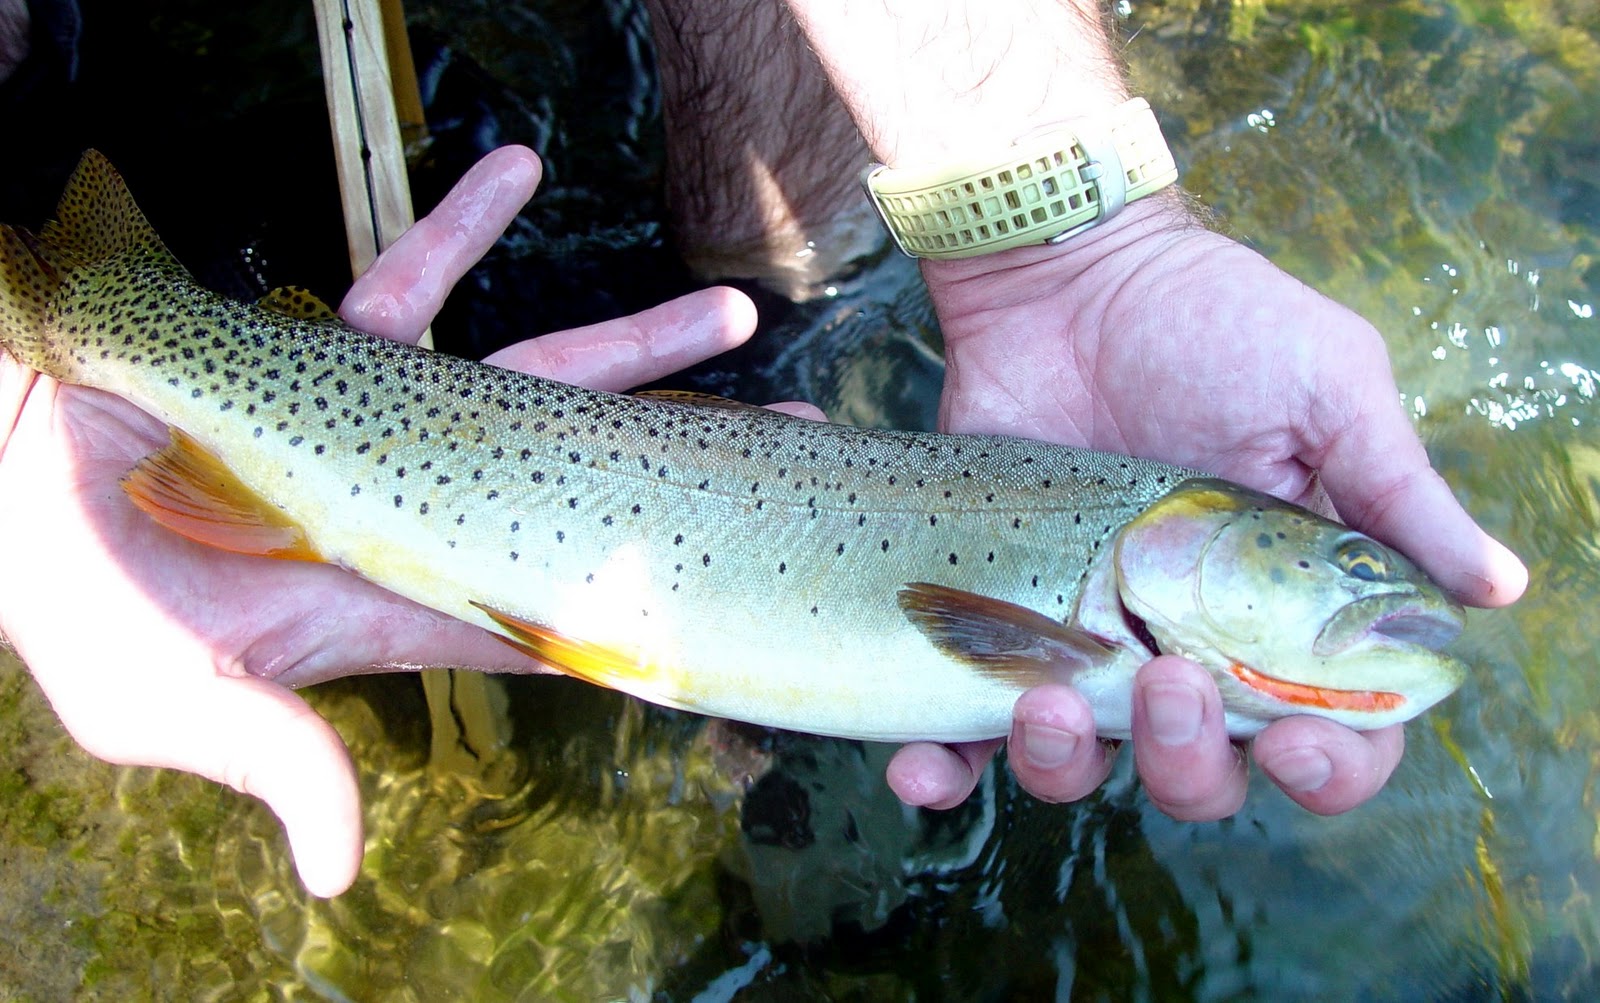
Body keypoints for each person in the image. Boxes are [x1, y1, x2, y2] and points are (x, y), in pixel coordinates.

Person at [0, 0, 1526, 898]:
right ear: (1184, 535)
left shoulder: (1116, 604)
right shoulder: (1084, 616)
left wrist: (1081, 247)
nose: (1364, 581)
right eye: (1332, 560)